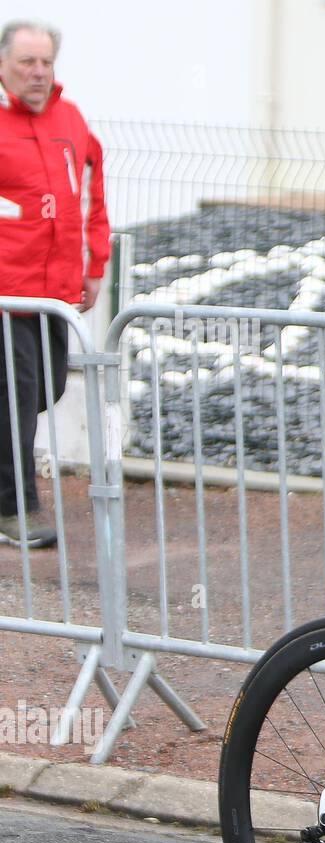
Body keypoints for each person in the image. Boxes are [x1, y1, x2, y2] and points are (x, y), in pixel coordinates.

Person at [0, 20, 109, 548]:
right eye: (28, 62)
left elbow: (91, 194)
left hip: (54, 291)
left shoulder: (69, 119)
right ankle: (13, 509)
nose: (39, 72)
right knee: (16, 398)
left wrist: (94, 264)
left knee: (48, 388)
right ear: (5, 66)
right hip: (6, 292)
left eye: (46, 62)